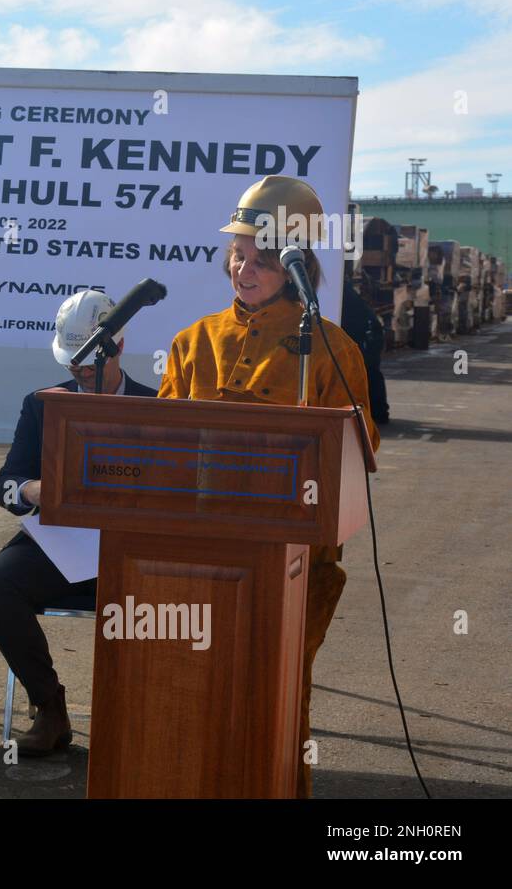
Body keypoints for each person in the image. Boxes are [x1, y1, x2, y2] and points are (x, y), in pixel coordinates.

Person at [158, 175, 380, 798]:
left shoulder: (332, 349)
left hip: (296, 563)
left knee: (276, 693)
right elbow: (160, 442)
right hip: (198, 554)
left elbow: (361, 449)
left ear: (296, 265)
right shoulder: (193, 341)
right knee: (192, 689)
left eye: (259, 259)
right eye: (237, 255)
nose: (243, 269)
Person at [0, 289, 158, 757]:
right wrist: (33, 490)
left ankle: (148, 719)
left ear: (118, 346)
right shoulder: (42, 404)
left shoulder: (158, 405)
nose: (80, 370)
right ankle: (49, 707)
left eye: (89, 360)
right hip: (61, 544)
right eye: (72, 362)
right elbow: (6, 481)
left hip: (130, 549)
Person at [340, 276, 390, 425]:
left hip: (367, 336)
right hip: (368, 334)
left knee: (369, 372)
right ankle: (378, 412)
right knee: (371, 372)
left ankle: (378, 412)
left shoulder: (342, 294)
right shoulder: (346, 292)